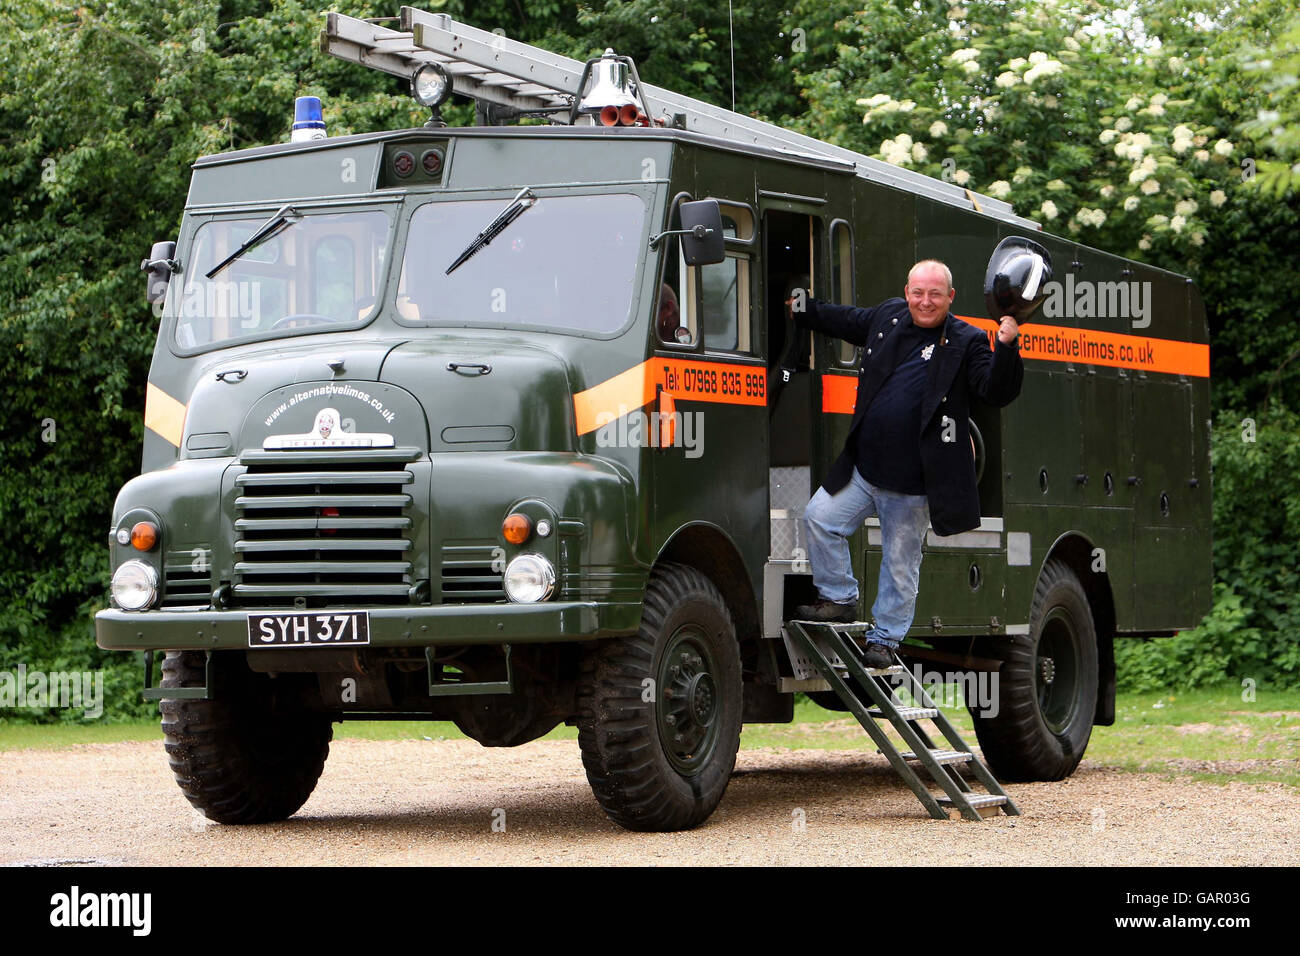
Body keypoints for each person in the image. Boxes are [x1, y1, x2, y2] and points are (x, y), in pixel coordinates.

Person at [793, 259, 1024, 668]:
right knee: (819, 518)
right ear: (906, 292)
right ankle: (839, 598)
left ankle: (884, 640)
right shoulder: (888, 317)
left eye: (935, 294)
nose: (925, 301)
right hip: (864, 470)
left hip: (915, 483)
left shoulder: (967, 340)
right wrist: (802, 307)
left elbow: (996, 390)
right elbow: (846, 320)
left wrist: (1006, 348)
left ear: (950, 297)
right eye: (918, 292)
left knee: (900, 566)